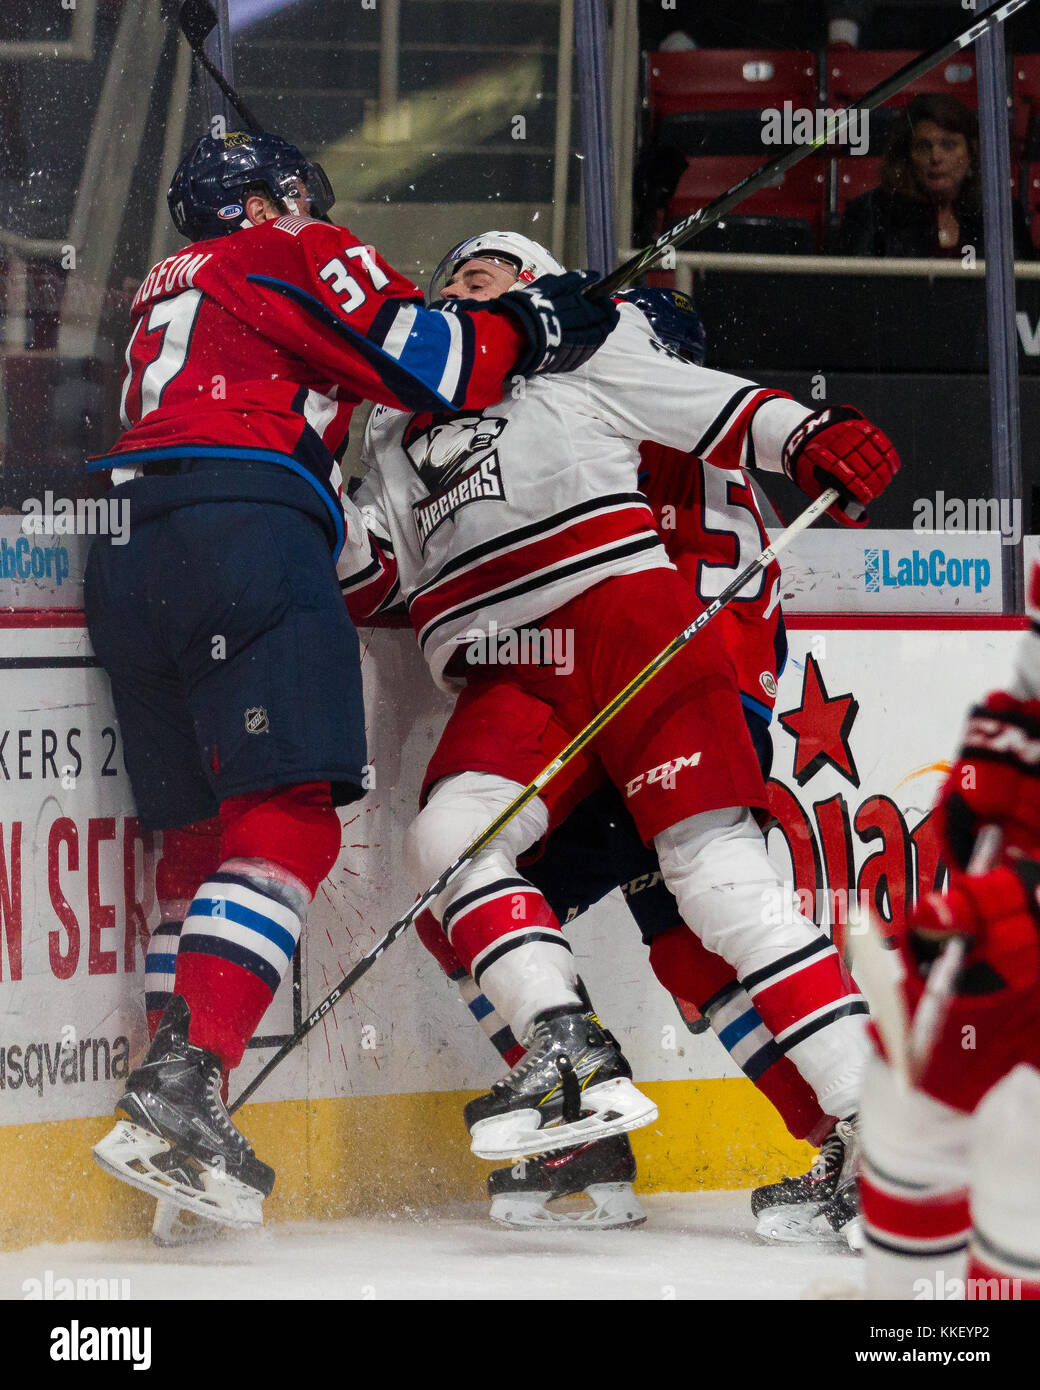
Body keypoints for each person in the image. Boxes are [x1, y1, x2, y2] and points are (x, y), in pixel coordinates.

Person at [85, 136, 620, 1231]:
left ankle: (176, 1136)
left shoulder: (158, 292)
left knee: (196, 848)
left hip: (125, 546)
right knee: (290, 818)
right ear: (271, 200)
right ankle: (186, 1091)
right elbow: (440, 361)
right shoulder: (291, 246)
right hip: (243, 525)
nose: (320, 213)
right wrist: (537, 322)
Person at [337, 230, 899, 1239]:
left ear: (543, 290)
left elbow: (719, 409)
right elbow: (373, 566)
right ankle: (574, 1073)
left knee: (714, 902)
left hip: (634, 644)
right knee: (467, 863)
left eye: (493, 270)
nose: (465, 281)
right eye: (452, 273)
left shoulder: (583, 350)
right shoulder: (398, 417)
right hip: (518, 663)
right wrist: (292, 481)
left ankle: (877, 1144)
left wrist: (807, 433)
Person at [858, 569, 1040, 1298]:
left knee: (1023, 1146)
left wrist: (997, 908)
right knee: (912, 1115)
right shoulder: (1013, 719)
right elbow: (972, 830)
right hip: (995, 990)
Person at [836, 93, 1034, 261]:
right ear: (907, 155)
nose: (935, 158)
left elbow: (1025, 292)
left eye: (948, 145)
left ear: (971, 152)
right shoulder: (870, 212)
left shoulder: (1002, 213)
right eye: (923, 147)